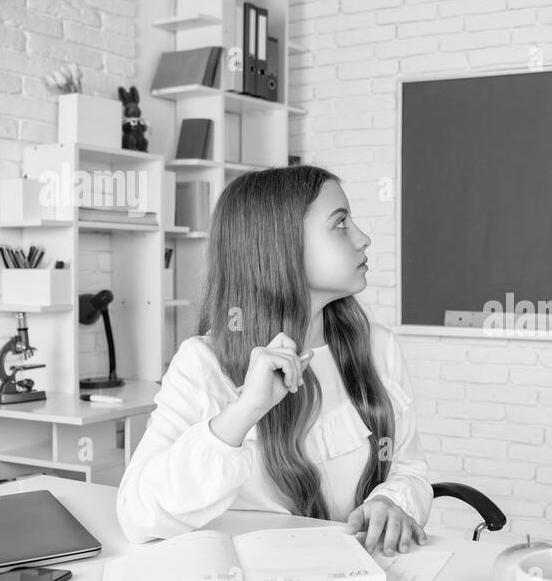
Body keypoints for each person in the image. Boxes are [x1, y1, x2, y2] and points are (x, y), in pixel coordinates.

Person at [116, 165, 432, 556]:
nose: (363, 238)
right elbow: (137, 516)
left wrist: (393, 501)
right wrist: (245, 410)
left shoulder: (378, 346)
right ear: (279, 247)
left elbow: (408, 470)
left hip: (359, 576)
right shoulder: (201, 363)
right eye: (340, 224)